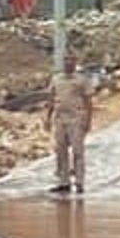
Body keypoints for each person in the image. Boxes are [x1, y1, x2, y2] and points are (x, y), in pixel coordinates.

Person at [44, 53, 94, 194]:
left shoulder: (82, 80)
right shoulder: (56, 79)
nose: (68, 63)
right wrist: (48, 118)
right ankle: (63, 182)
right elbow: (51, 99)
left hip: (76, 118)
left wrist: (88, 120)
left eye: (71, 60)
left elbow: (88, 102)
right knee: (60, 151)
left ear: (75, 62)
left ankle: (79, 182)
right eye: (66, 60)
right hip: (60, 119)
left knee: (78, 151)